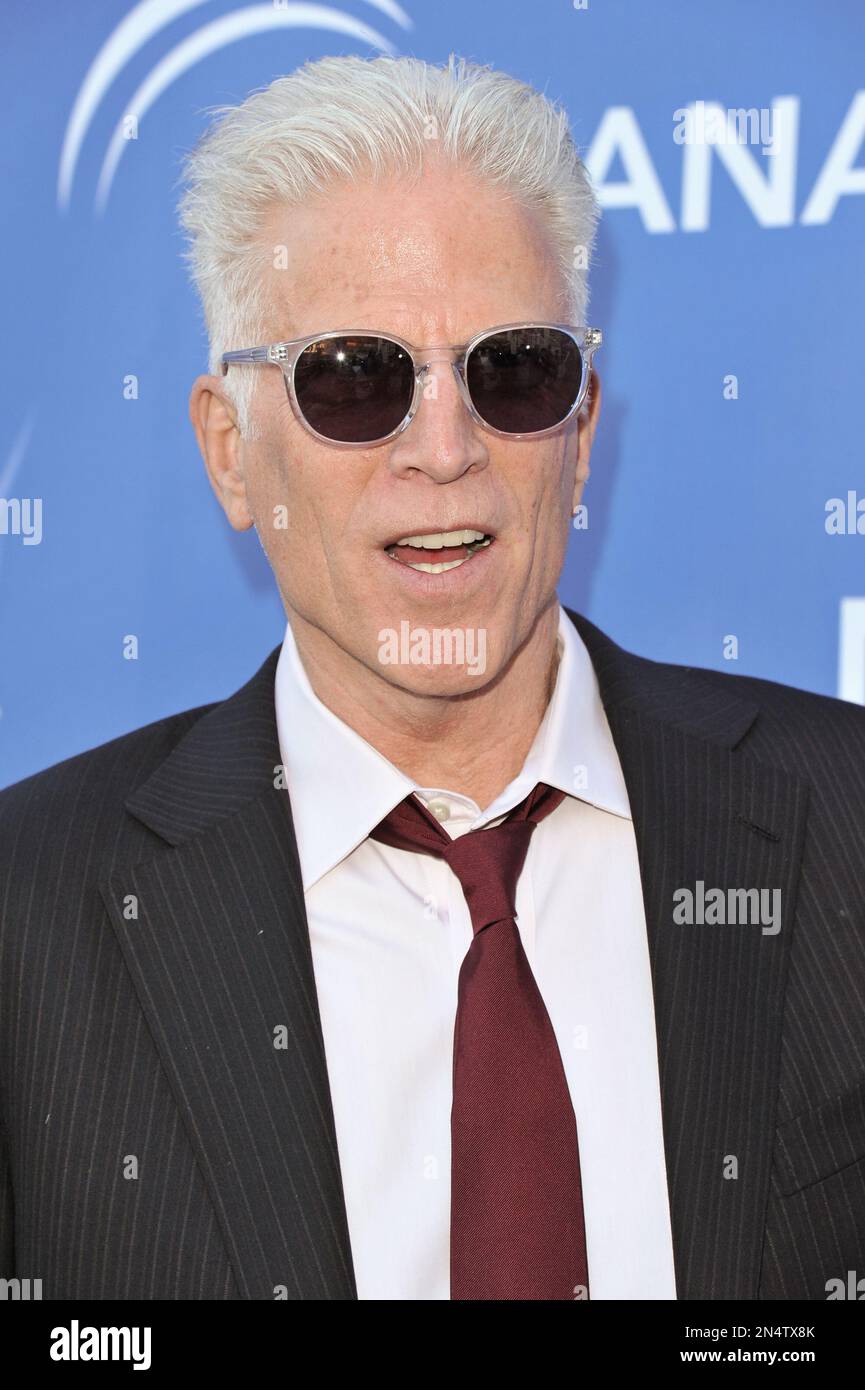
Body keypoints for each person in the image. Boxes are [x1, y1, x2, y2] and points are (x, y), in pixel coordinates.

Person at [1, 53, 864, 1302]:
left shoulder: (843, 822)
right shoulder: (30, 919)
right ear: (229, 453)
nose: (447, 450)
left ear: (579, 436)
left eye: (514, 371)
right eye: (355, 380)